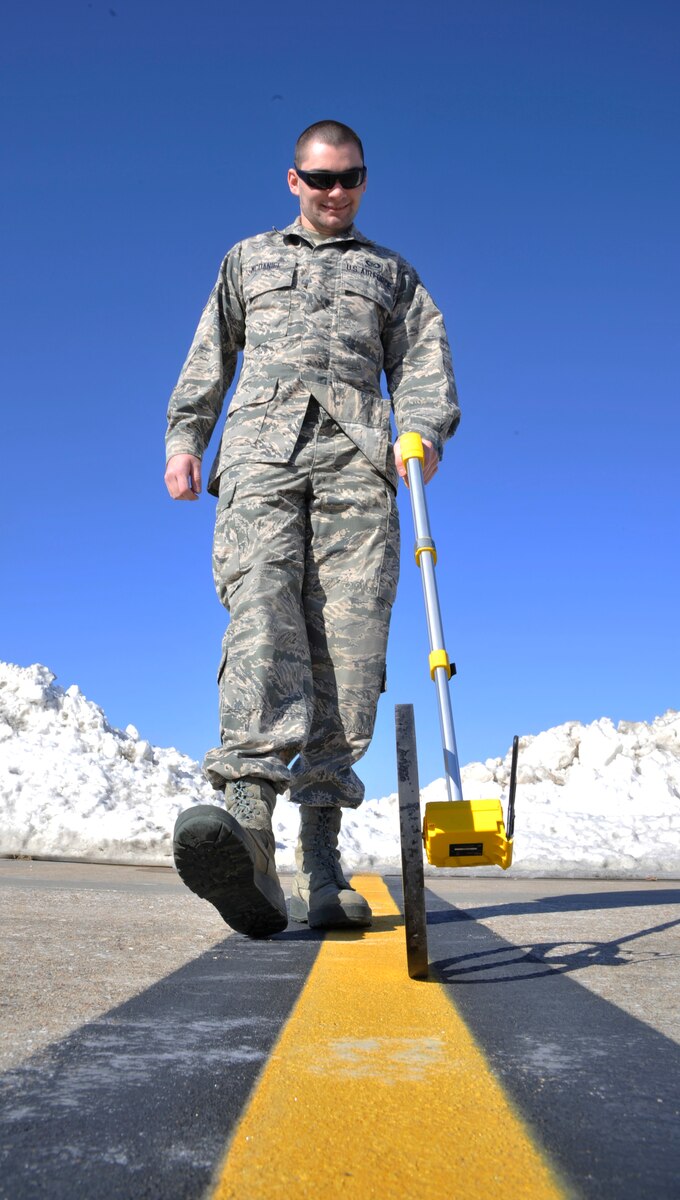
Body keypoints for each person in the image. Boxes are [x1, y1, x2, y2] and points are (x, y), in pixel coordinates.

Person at [165, 120, 459, 939]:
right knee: (262, 612)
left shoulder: (390, 273)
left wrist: (424, 430)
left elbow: (423, 358)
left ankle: (321, 861)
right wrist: (185, 437)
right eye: (320, 178)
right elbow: (210, 353)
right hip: (260, 457)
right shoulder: (248, 259)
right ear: (294, 180)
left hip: (358, 467)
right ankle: (247, 824)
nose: (335, 191)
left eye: (349, 177)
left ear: (363, 180)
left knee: (349, 654)